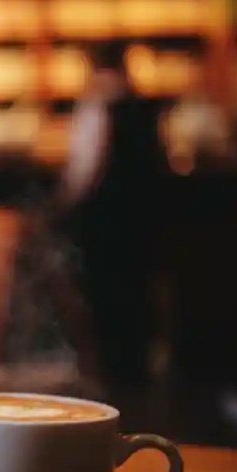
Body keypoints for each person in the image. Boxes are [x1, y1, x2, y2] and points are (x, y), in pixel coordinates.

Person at [59, 42, 168, 395]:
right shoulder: (145, 108)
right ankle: (136, 377)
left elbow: (84, 173)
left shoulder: (96, 106)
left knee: (104, 300)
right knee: (137, 297)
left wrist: (60, 207)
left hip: (102, 226)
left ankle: (111, 381)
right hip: (143, 225)